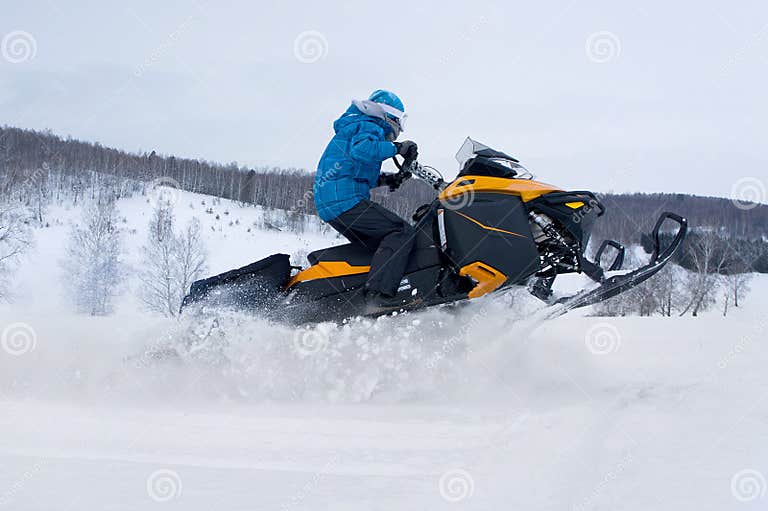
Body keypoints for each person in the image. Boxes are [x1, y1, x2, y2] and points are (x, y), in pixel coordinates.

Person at [313, 89, 419, 307]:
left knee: (379, 247)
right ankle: (378, 297)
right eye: (400, 120)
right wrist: (398, 148)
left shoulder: (357, 126)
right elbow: (363, 150)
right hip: (343, 201)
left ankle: (354, 298)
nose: (399, 127)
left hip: (333, 203)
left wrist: (387, 180)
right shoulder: (369, 124)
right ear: (387, 115)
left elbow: (356, 171)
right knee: (401, 232)